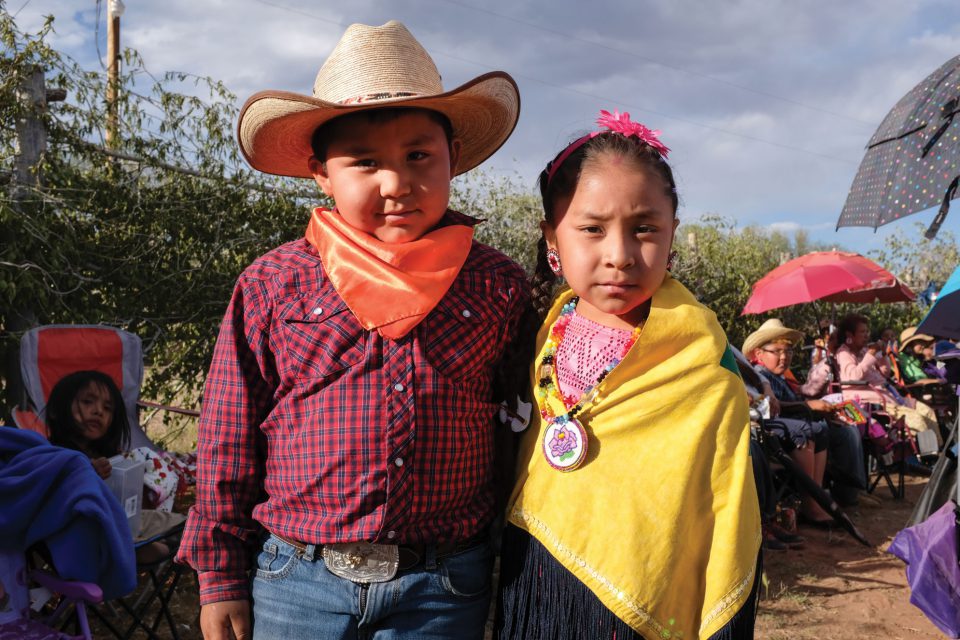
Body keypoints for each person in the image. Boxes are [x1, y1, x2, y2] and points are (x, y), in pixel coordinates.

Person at [175, 21, 527, 640]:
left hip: (443, 586)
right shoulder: (273, 282)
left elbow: (518, 423)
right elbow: (228, 434)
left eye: (419, 155)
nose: (396, 183)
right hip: (297, 580)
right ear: (321, 173)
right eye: (365, 162)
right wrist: (221, 577)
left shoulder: (496, 284)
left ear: (453, 159)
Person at [495, 110, 760, 640]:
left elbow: (724, 509)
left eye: (644, 229)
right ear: (552, 236)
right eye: (591, 230)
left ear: (672, 234)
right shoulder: (532, 340)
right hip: (535, 579)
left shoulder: (704, 368)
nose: (619, 256)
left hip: (648, 594)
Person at [744, 319, 866, 516]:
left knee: (848, 429)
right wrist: (809, 405)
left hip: (803, 422)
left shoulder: (781, 376)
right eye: (777, 351)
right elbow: (770, 408)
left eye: (788, 351)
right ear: (759, 354)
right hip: (782, 431)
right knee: (837, 434)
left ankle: (849, 492)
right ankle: (831, 497)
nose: (784, 357)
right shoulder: (759, 375)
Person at [44, 370, 183, 512]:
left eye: (107, 408)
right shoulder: (48, 456)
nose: (99, 411)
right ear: (55, 410)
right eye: (87, 402)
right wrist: (85, 475)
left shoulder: (113, 457)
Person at [835, 313, 940, 443]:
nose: (867, 335)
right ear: (849, 335)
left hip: (889, 397)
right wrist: (871, 355)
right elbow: (852, 376)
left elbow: (884, 373)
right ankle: (925, 456)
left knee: (928, 411)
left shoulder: (863, 351)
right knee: (917, 420)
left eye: (867, 331)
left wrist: (883, 355)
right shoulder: (844, 353)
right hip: (871, 403)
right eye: (862, 332)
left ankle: (937, 452)